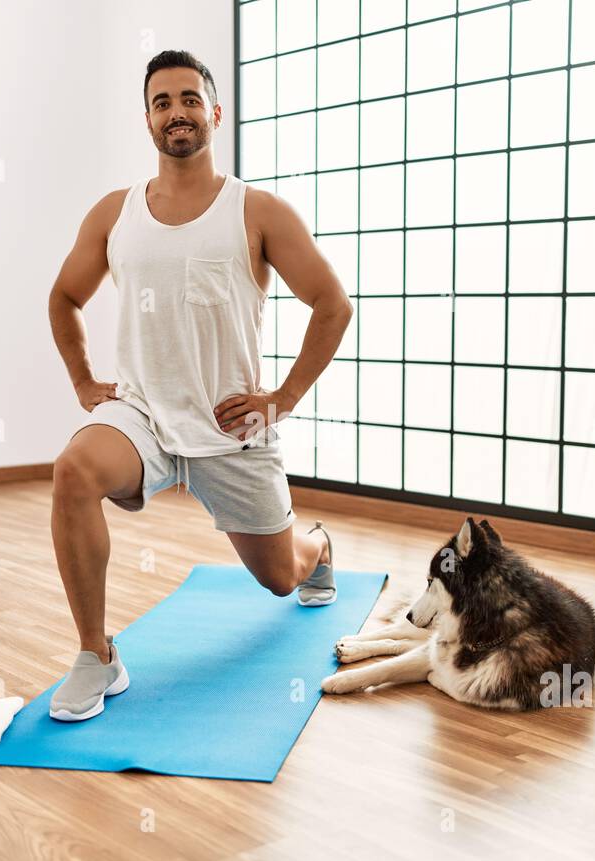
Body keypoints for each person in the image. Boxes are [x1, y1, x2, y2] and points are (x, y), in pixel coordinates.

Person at [44, 50, 353, 721]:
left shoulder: (259, 211)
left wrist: (283, 400)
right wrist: (83, 382)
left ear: (214, 113)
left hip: (229, 426)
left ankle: (318, 546)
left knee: (281, 579)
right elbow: (64, 297)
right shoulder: (113, 215)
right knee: (73, 471)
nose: (176, 112)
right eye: (162, 102)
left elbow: (333, 302)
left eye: (189, 99)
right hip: (142, 418)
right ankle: (96, 656)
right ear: (148, 120)